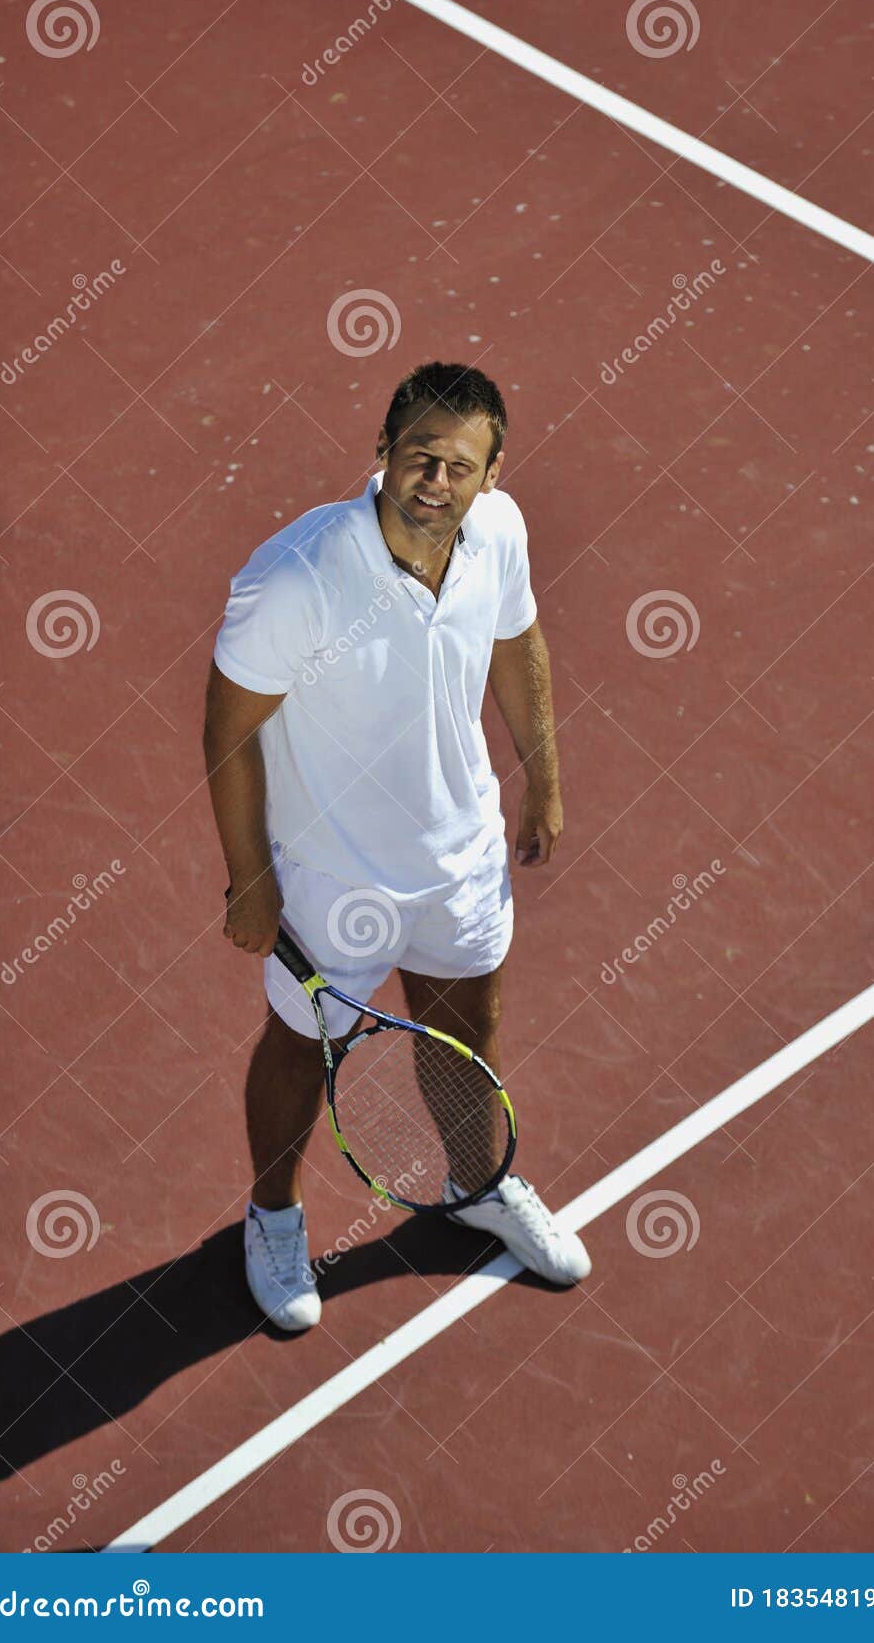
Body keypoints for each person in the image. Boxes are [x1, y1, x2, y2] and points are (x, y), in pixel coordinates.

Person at [203, 361, 591, 1331]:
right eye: (418, 455)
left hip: (456, 864)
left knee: (469, 1035)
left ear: (491, 474)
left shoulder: (497, 535)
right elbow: (229, 732)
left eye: (459, 464)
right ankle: (273, 1216)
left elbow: (517, 644)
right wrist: (251, 880)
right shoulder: (296, 576)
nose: (435, 479)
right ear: (381, 453)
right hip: (331, 882)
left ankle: (476, 1182)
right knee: (300, 1050)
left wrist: (541, 777)